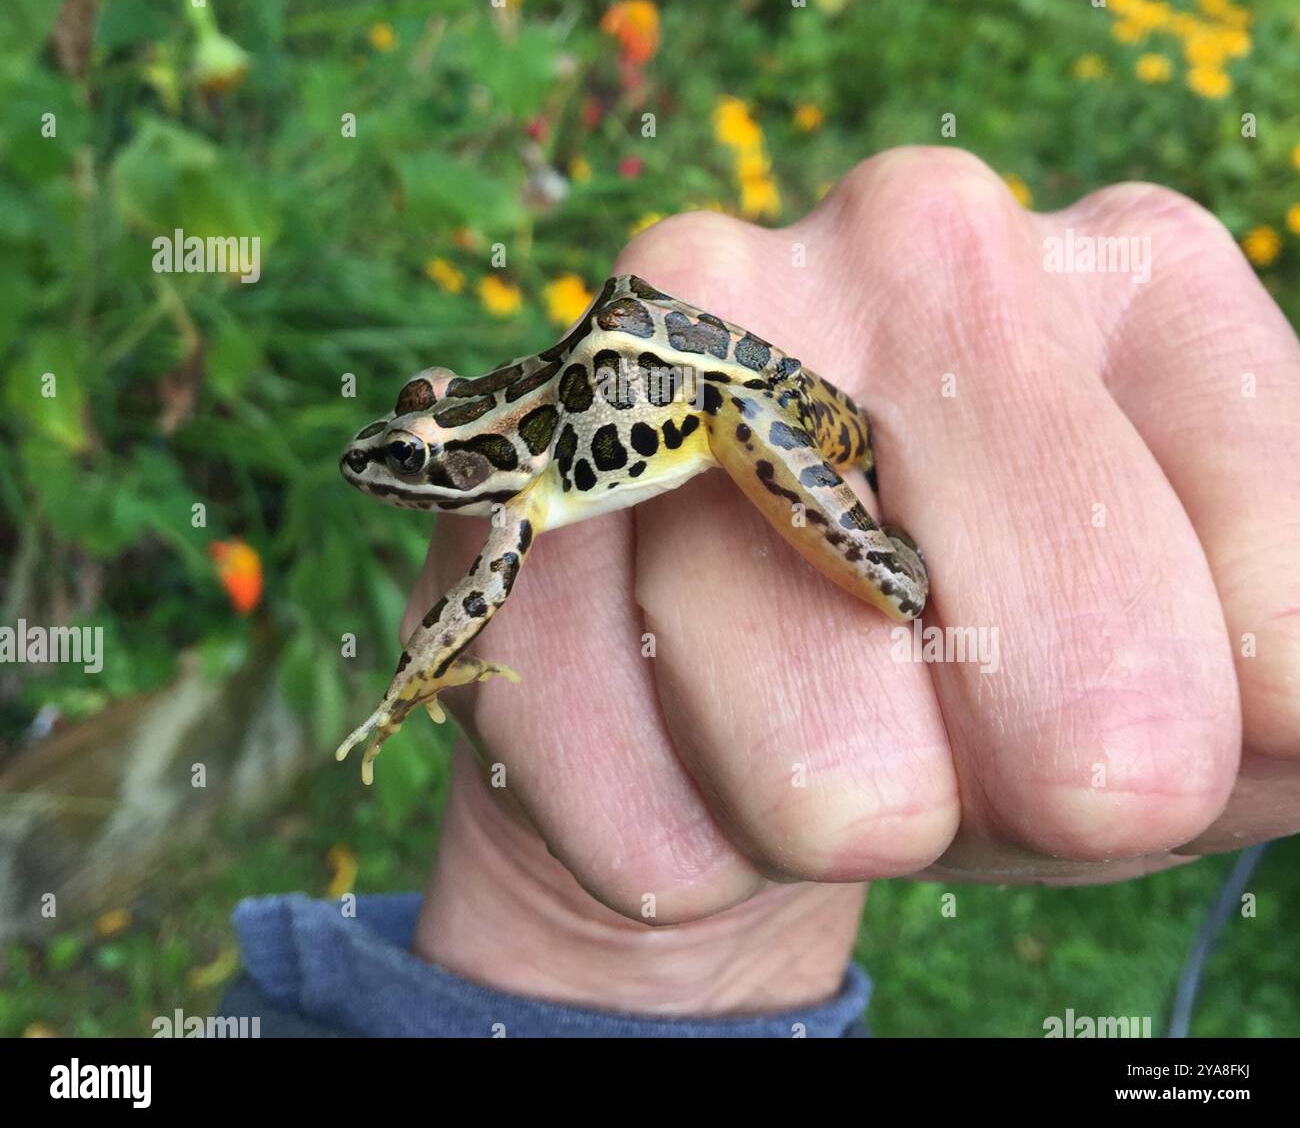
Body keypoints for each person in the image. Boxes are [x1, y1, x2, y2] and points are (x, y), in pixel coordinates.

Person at [220, 148, 1300, 1037]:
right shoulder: (511, 506)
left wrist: (410, 682)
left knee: (834, 535)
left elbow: (474, 605)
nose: (404, 467)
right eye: (417, 445)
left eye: (418, 455)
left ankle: (887, 560)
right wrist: (578, 919)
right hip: (712, 390)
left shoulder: (514, 511)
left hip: (737, 410)